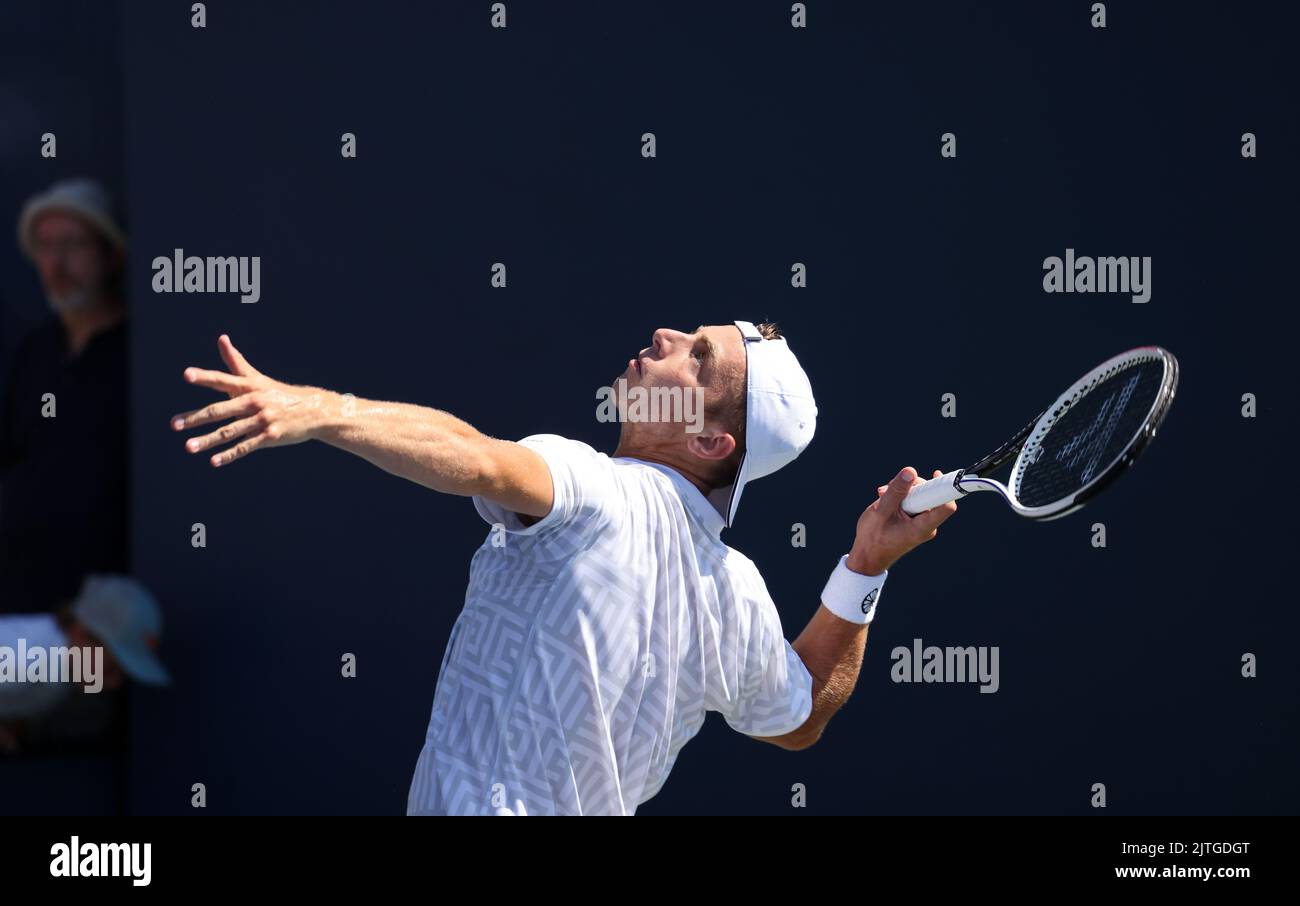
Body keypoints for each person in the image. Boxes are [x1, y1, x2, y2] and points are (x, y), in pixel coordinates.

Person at [172, 323, 957, 815]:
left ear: (712, 442)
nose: (663, 336)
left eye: (697, 355)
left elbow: (475, 459)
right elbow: (802, 718)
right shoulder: (736, 593)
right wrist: (863, 568)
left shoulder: (595, 487)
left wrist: (322, 411)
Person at [0, 179, 129, 613]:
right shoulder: (35, 352)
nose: (56, 263)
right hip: (19, 599)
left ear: (110, 254)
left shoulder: (135, 352)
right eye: (45, 246)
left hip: (99, 612)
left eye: (73, 245)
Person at [0, 575, 169, 756]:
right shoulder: (22, 656)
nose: (114, 684)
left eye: (122, 674)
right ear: (82, 633)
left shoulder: (63, 674)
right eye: (110, 668)